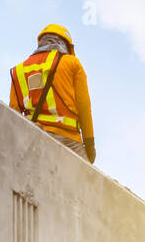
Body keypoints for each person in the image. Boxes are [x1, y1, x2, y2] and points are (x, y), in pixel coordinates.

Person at [9, 24, 95, 164]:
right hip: (69, 140)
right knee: (90, 184)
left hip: (33, 137)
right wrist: (90, 145)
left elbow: (13, 112)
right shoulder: (72, 63)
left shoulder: (19, 70)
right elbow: (84, 105)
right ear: (66, 45)